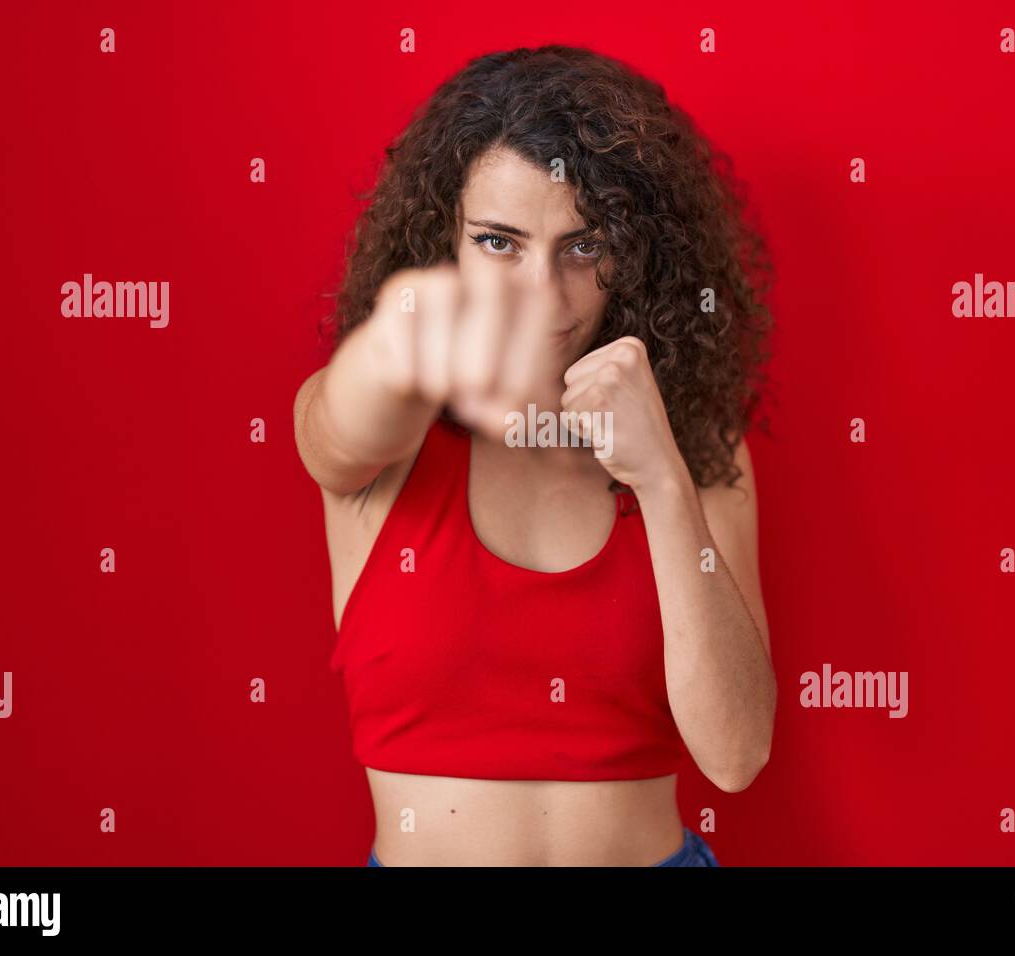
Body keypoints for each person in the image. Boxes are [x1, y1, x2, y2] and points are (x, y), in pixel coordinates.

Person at [293, 45, 776, 866]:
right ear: (443, 240)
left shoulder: (694, 443)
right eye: (498, 243)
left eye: (584, 246)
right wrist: (400, 341)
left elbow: (735, 757)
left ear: (634, 251)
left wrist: (660, 475)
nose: (543, 296)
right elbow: (342, 430)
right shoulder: (388, 429)